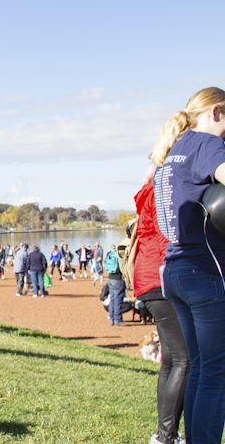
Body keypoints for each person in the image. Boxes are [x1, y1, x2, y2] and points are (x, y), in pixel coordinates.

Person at [151, 87, 225, 444]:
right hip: (204, 271)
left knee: (200, 369)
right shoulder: (206, 144)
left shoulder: (172, 149)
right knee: (215, 371)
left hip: (175, 270)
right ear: (216, 112)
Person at [134, 168, 189, 444]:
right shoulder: (163, 188)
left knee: (171, 359)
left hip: (150, 276)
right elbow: (169, 234)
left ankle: (166, 435)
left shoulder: (150, 188)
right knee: (185, 358)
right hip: (160, 276)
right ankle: (166, 437)